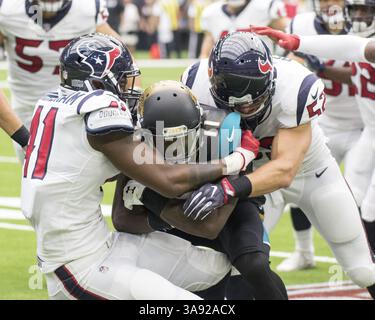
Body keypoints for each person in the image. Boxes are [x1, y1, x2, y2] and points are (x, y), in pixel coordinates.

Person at [21, 33, 257, 300]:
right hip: (79, 268)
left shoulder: (54, 103)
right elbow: (170, 181)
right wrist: (235, 160)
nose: (127, 87)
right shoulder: (99, 109)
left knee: (212, 266)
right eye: (121, 79)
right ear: (97, 79)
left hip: (95, 246)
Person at [181, 31, 375, 298]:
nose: (246, 109)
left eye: (254, 100)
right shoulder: (195, 81)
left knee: (362, 269)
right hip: (252, 181)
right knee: (243, 266)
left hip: (309, 173)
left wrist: (227, 188)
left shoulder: (295, 86)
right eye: (235, 103)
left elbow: (285, 169)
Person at [116, 80, 288, 300]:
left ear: (200, 124)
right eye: (164, 141)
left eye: (182, 138)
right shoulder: (135, 141)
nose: (174, 148)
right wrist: (166, 219)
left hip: (225, 209)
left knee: (253, 264)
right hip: (172, 215)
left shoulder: (224, 130)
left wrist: (147, 195)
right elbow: (121, 219)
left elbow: (211, 226)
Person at [249, 0, 375, 252]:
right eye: (356, 9)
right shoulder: (357, 38)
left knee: (369, 207)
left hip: (363, 130)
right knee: (357, 205)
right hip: (368, 132)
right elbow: (357, 47)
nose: (359, 16)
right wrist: (298, 42)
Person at [276, 0, 364, 273]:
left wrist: (322, 69)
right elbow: (292, 68)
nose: (331, 5)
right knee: (299, 182)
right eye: (324, 0)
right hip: (322, 124)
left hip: (363, 126)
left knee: (356, 198)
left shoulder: (364, 23)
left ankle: (364, 259)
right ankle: (304, 252)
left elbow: (364, 72)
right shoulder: (301, 25)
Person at [0, 0, 120, 161]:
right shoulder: (7, 9)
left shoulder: (86, 9)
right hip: (27, 113)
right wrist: (24, 137)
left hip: (76, 110)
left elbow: (120, 58)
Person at [199, 0, 288, 58]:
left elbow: (287, 34)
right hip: (224, 70)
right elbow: (206, 51)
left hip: (259, 67)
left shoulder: (266, 7)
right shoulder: (211, 12)